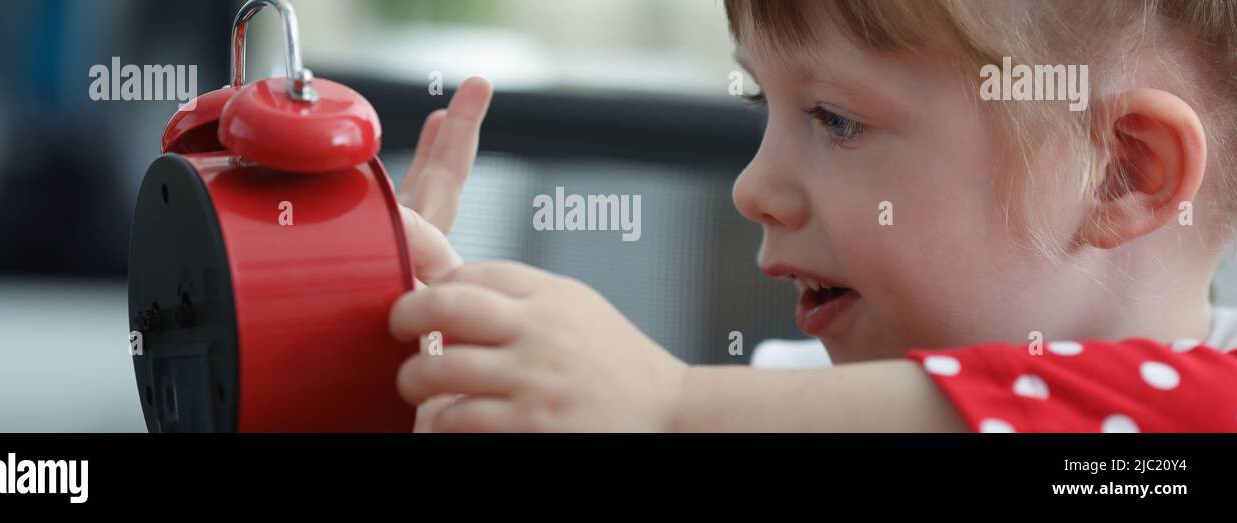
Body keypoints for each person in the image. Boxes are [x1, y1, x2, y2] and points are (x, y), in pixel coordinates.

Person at [389, 0, 1237, 432]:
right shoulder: (780, 391)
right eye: (765, 100)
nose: (752, 186)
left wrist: (670, 403)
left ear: (1122, 171)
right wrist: (443, 360)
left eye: (836, 118)